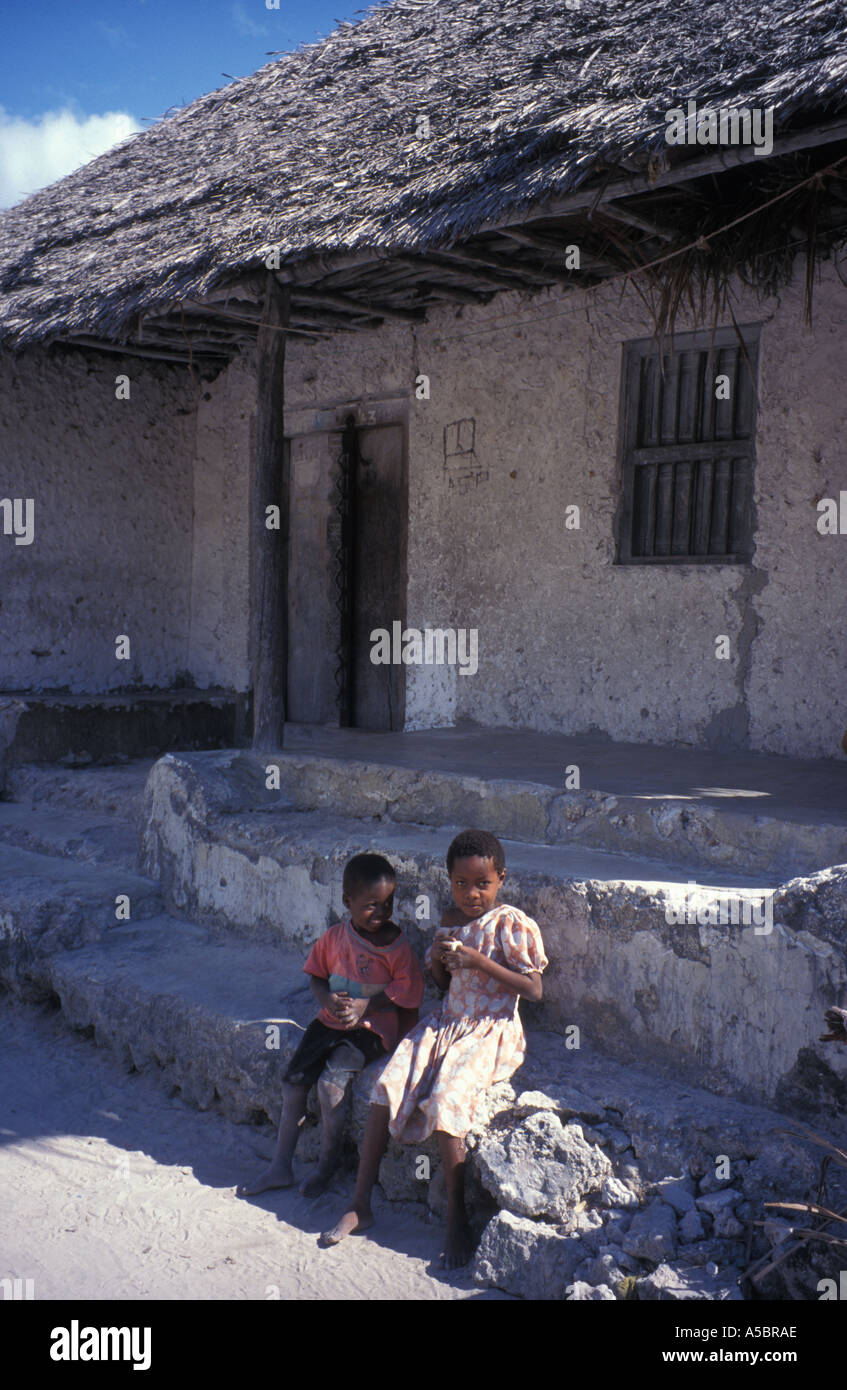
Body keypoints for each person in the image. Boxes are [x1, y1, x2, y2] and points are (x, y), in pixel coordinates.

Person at [323, 828, 547, 1267]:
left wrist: (479, 961)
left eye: (482, 883)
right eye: (461, 884)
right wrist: (445, 961)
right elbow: (442, 986)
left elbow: (534, 990)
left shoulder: (510, 924)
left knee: (447, 1100)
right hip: (447, 1021)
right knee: (386, 1083)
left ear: (501, 878)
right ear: (449, 881)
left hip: (489, 1028)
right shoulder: (449, 922)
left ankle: (455, 1222)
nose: (472, 894)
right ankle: (360, 1203)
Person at [237, 852, 424, 1199]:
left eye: (388, 904)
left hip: (370, 1030)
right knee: (293, 1084)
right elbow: (317, 976)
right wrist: (326, 1000)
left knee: (330, 1088)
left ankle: (327, 1164)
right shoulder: (335, 938)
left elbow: (408, 990)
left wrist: (370, 1002)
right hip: (329, 1022)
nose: (381, 913)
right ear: (347, 902)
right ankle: (280, 1165)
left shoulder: (396, 947)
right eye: (371, 906)